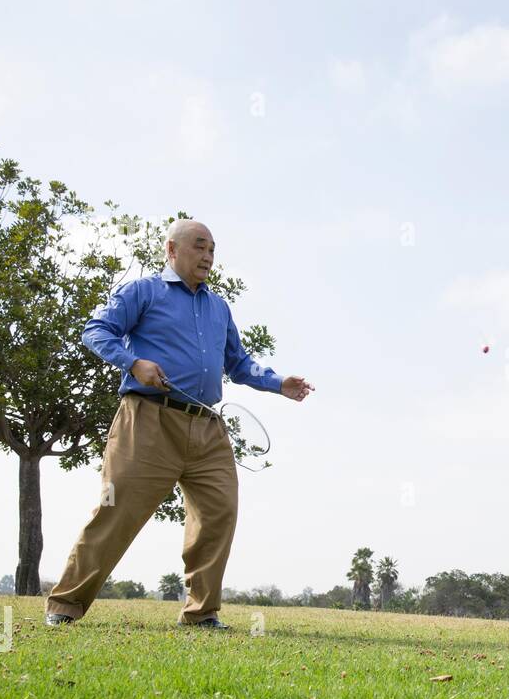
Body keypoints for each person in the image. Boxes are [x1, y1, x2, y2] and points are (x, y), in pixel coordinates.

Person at [44, 219, 314, 629]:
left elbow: (238, 363)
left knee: (219, 512)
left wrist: (278, 382)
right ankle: (65, 604)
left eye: (212, 250)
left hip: (207, 427)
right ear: (172, 250)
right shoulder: (143, 291)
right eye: (199, 247)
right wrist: (133, 362)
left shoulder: (218, 306)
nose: (207, 256)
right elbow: (96, 330)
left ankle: (201, 613)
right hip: (148, 420)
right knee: (116, 511)